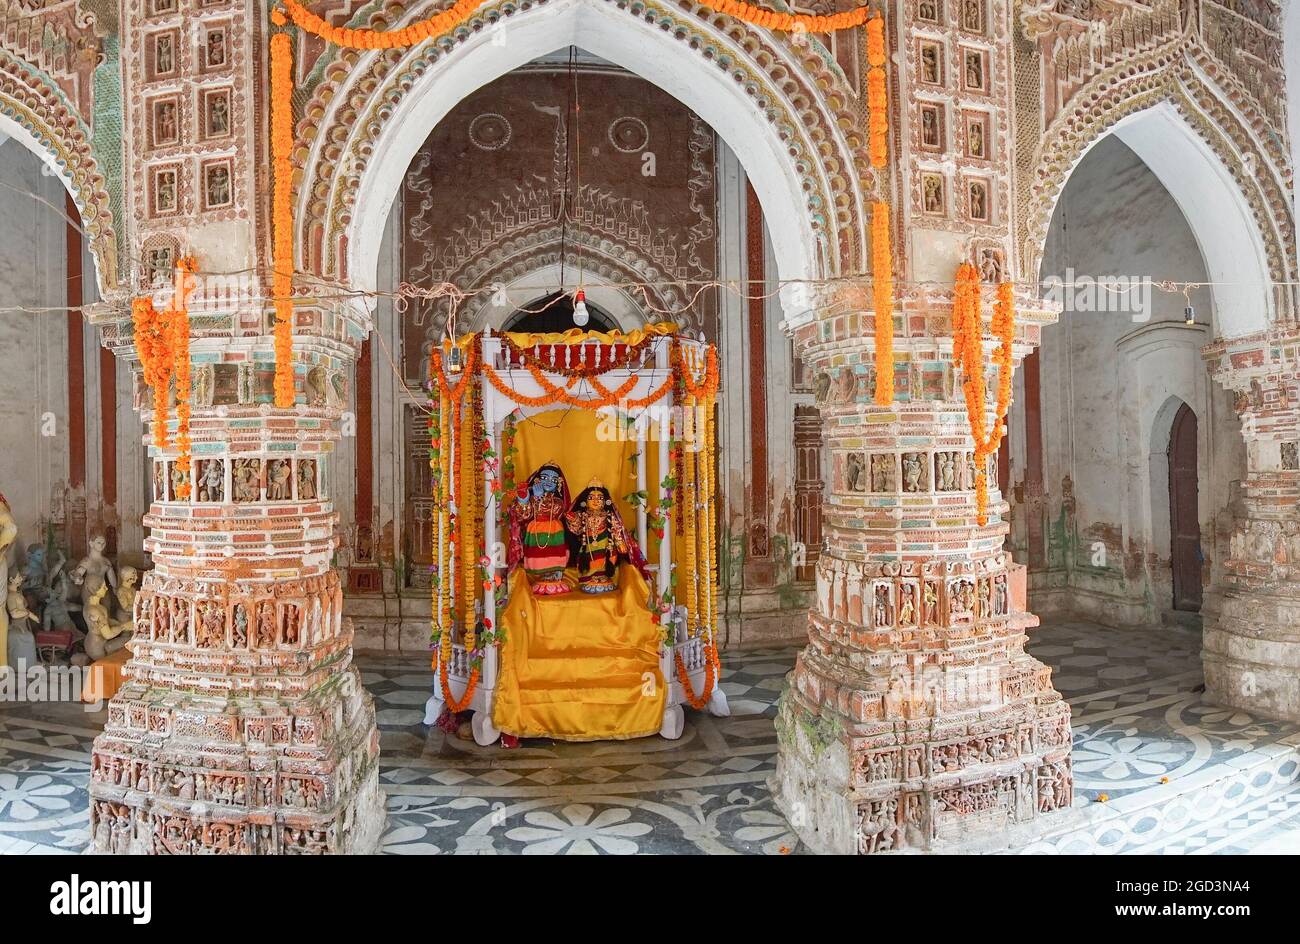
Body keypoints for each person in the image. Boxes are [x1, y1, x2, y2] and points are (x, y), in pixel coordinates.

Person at [564, 479, 644, 594]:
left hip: (606, 545)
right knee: (589, 561)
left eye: (600, 498)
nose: (596, 501)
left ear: (606, 501)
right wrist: (572, 519)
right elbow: (577, 530)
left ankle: (603, 576)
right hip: (588, 545)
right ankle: (591, 578)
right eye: (591, 498)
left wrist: (620, 542)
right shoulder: (583, 515)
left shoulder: (609, 515)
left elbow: (617, 529)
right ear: (585, 501)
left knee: (606, 560)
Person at [507, 462, 573, 595]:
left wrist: (538, 497)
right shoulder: (533, 498)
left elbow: (555, 511)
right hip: (535, 530)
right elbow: (524, 516)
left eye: (554, 480)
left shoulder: (558, 501)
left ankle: (555, 577)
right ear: (537, 480)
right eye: (545, 478)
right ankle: (542, 578)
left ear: (559, 484)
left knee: (555, 555)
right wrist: (525, 499)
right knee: (538, 556)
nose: (549, 481)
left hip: (554, 531)